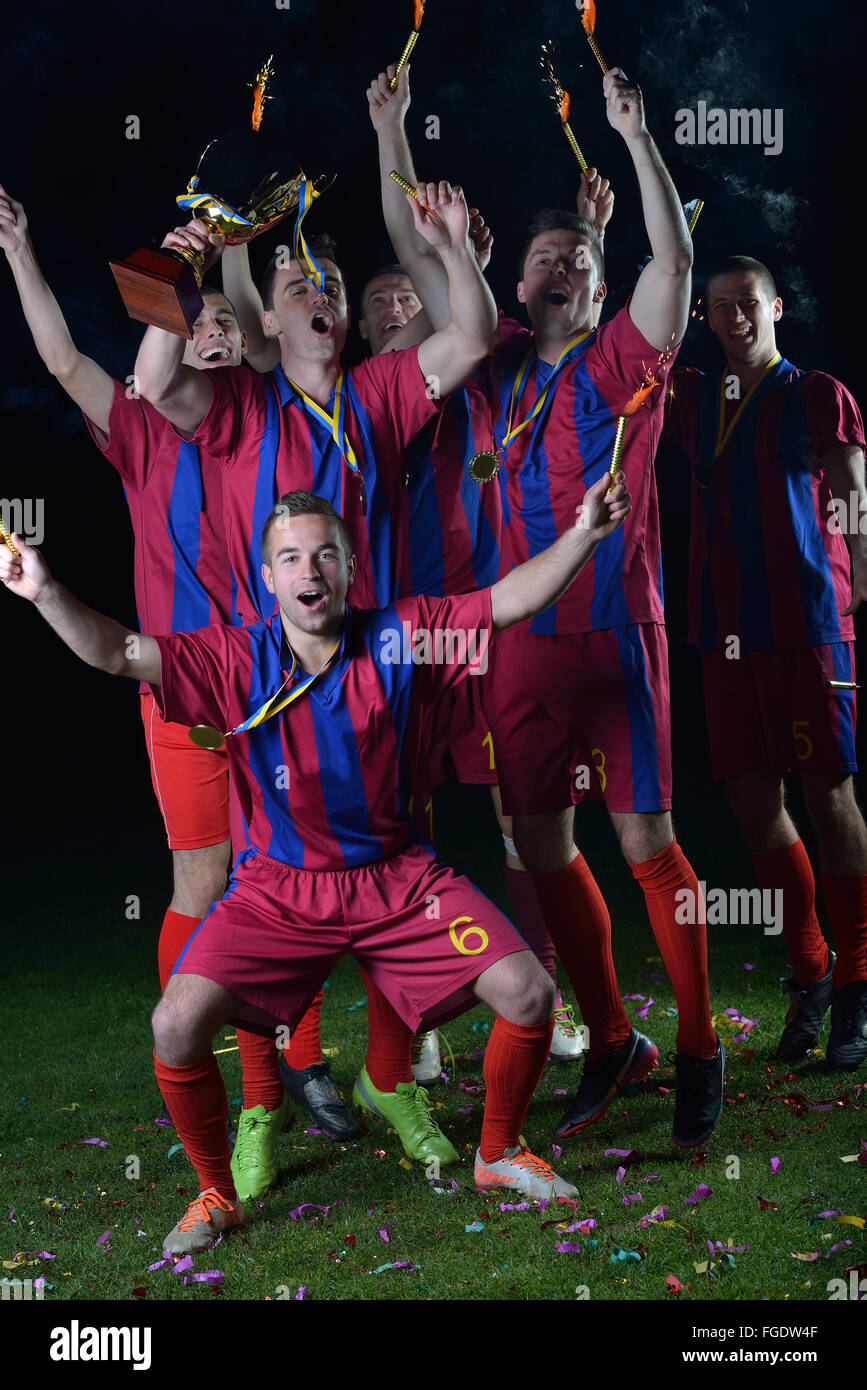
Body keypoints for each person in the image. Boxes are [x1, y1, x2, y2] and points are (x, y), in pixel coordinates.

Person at [1, 475, 632, 1254]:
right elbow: (122, 651)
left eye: (325, 554)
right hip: (277, 889)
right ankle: (215, 1196)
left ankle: (498, 1155)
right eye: (291, 557)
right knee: (174, 1025)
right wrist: (45, 591)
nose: (310, 570)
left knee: (529, 996)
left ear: (349, 566)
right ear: (268, 578)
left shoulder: (401, 634)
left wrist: (583, 534)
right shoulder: (235, 656)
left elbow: (507, 601)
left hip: (398, 880)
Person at [368, 67, 722, 1147]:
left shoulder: (624, 360)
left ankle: (701, 1044)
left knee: (647, 838)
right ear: (514, 286)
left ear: (600, 287)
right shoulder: (491, 367)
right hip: (512, 640)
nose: (559, 266)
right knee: (534, 838)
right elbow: (426, 254)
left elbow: (672, 259)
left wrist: (635, 135)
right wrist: (388, 126)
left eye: (578, 258)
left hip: (616, 634)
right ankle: (612, 1036)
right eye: (541, 258)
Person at [131, 179, 500, 1167]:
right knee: (261, 893)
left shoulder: (380, 391)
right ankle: (259, 1099)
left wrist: (456, 243)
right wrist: (182, 267)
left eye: (325, 277)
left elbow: (469, 335)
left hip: (384, 677)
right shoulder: (246, 405)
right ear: (270, 313)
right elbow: (155, 382)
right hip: (277, 692)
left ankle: (387, 1077)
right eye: (295, 280)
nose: (314, 291)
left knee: (400, 877)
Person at [0, 188, 356, 1208]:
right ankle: (250, 1098)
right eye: (188, 319)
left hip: (277, 690)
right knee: (202, 887)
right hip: (180, 696)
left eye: (219, 322)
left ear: (241, 342)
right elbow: (72, 362)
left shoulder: (274, 429)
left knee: (298, 878)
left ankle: (306, 1054)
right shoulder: (142, 436)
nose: (205, 331)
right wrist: (26, 253)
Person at [366, 66, 601, 1074]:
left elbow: (564, 303)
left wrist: (463, 243)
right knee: (391, 818)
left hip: (496, 619)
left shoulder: (495, 345)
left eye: (406, 292)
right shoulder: (373, 393)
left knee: (528, 817)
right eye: (383, 298)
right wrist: (389, 132)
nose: (396, 307)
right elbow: (413, 239)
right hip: (409, 624)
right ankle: (409, 1025)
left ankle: (556, 1006)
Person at [665, 255, 867, 1069]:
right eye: (717, 308)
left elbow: (854, 483)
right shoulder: (691, 396)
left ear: (775, 306)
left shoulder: (813, 391)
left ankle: (856, 982)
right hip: (722, 626)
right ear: (703, 317)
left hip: (808, 622)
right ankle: (809, 969)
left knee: (829, 793)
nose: (733, 318)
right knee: (753, 798)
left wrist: (860, 573)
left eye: (746, 303)